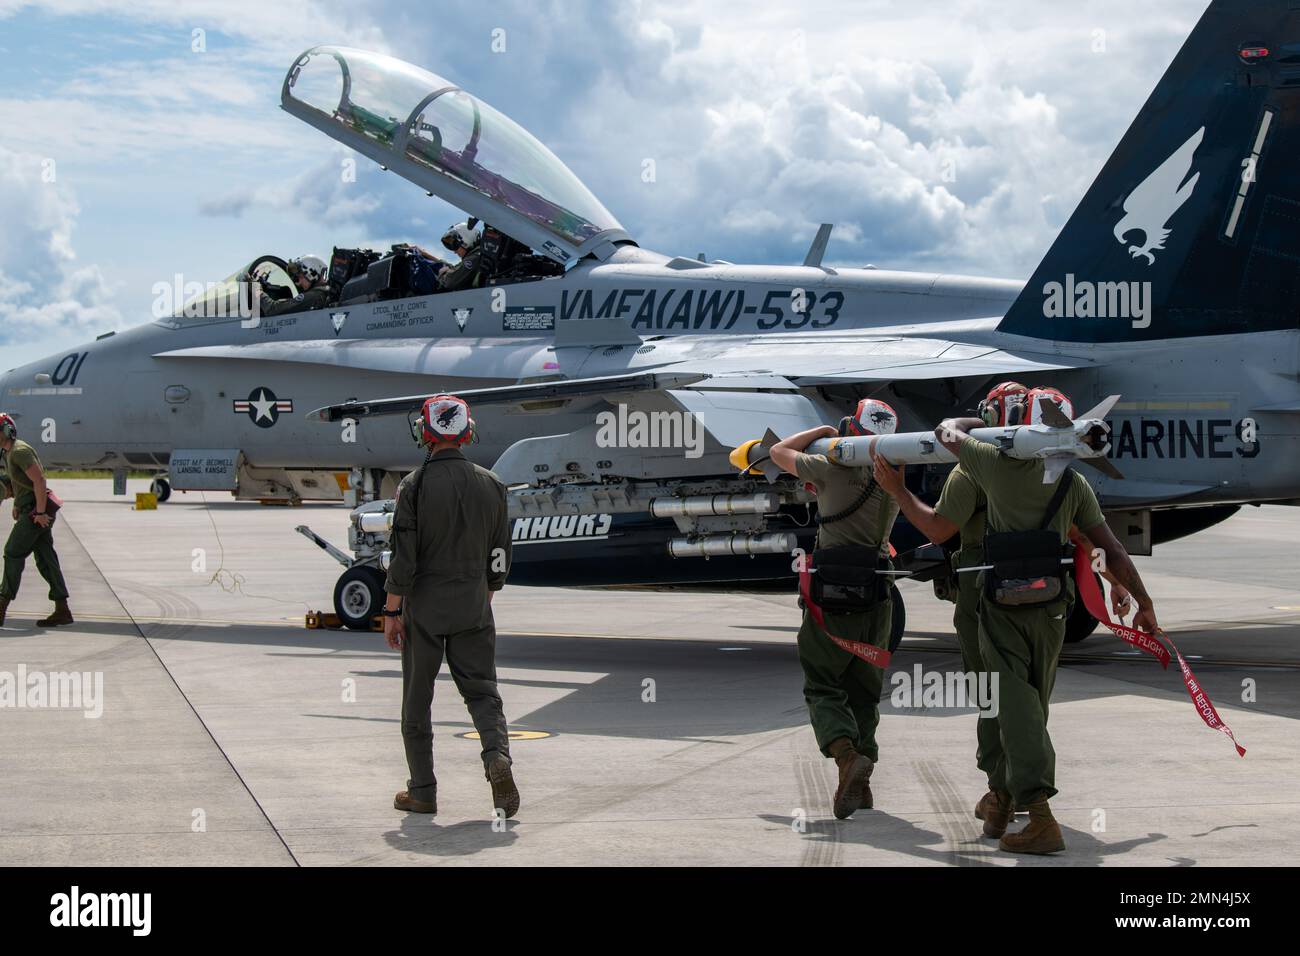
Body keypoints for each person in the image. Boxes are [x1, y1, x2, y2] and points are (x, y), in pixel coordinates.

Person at [871, 382, 1133, 830]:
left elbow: (938, 530)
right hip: (1050, 595)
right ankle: (1004, 792)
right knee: (1029, 697)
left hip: (983, 590)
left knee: (999, 696)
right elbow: (1086, 537)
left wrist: (898, 492)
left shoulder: (976, 470)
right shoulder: (1064, 478)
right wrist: (1119, 585)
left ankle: (1009, 793)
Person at [930, 386, 1158, 854]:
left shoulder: (993, 467)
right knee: (1031, 701)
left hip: (1002, 602)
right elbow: (1109, 548)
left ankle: (1038, 814)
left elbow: (945, 433)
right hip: (1054, 608)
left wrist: (985, 430)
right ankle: (1001, 796)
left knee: (1009, 701)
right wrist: (1142, 601)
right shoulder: (1074, 485)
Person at [382, 394, 518, 819]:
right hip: (474, 603)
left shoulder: (413, 486)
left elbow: (404, 558)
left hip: (424, 607)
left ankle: (422, 791)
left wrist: (391, 611)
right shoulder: (492, 484)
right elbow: (499, 553)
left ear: (425, 433)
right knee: (482, 692)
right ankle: (497, 756)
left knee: (417, 700)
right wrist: (486, 590)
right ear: (467, 431)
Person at [769, 398, 901, 819]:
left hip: (834, 593)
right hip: (878, 592)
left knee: (823, 685)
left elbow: (778, 453)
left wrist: (822, 434)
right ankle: (862, 785)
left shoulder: (830, 467)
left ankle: (846, 757)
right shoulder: (895, 476)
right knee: (865, 691)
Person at [0, 413, 72, 627]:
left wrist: (40, 513)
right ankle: (62, 609)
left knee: (13, 552)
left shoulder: (19, 451)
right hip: (30, 509)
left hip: (35, 512)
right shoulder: (8, 452)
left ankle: (2, 603)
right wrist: (16, 504)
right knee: (45, 558)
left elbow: (39, 480)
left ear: (5, 431)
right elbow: (21, 482)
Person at [253, 255, 330, 317]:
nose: (298, 283)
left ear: (312, 274)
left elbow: (272, 309)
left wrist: (256, 290)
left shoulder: (315, 295)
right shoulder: (325, 293)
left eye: (300, 277)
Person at [436, 222, 484, 292]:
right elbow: (456, 268)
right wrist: (426, 255)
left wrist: (442, 273)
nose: (454, 252)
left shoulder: (475, 257)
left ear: (466, 241)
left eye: (455, 246)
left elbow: (450, 282)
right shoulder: (476, 254)